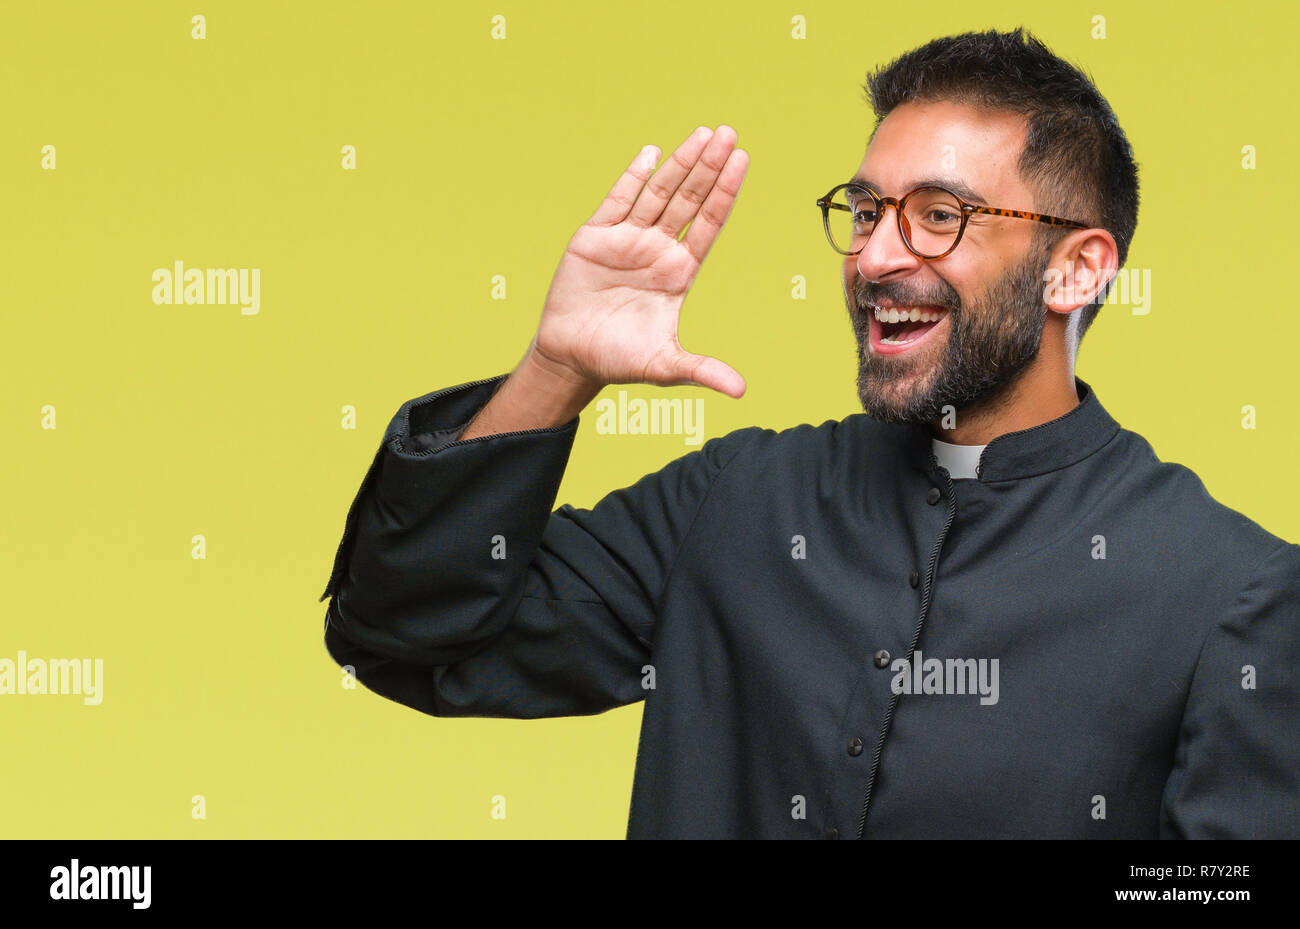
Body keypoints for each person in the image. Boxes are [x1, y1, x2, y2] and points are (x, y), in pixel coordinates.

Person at [319, 28, 1300, 839]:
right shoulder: (735, 498)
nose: (874, 257)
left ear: (1076, 269)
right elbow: (401, 637)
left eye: (938, 215)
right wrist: (556, 369)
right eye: (866, 211)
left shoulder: (1232, 594)